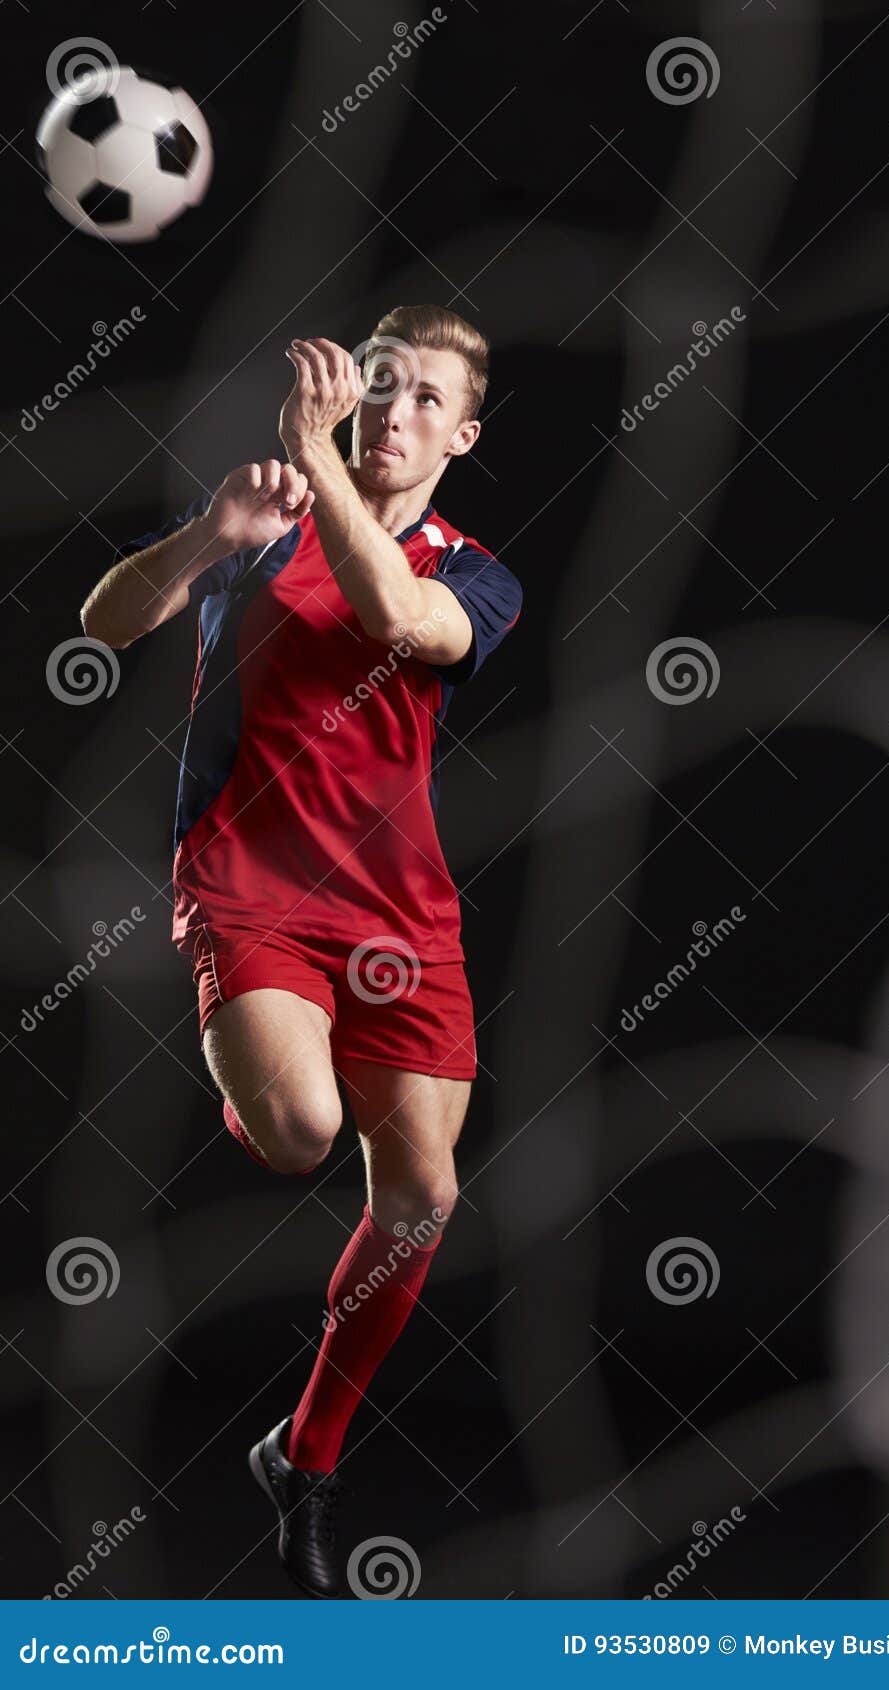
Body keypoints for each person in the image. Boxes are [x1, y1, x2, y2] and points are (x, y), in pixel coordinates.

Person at [79, 305, 523, 1598]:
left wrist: (312, 460)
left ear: (463, 430)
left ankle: (305, 1455)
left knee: (424, 1202)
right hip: (250, 889)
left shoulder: (470, 571)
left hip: (403, 921)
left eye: (426, 398)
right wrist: (211, 533)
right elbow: (106, 621)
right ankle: (261, 1058)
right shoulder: (260, 537)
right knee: (299, 1131)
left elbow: (400, 622)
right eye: (379, 387)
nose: (394, 413)